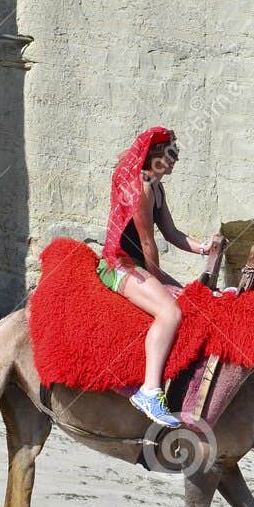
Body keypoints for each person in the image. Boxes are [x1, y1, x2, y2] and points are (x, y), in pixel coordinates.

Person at [97, 126, 215, 428]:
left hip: (137, 264)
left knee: (190, 300)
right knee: (170, 312)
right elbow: (148, 243)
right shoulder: (142, 188)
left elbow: (172, 233)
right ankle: (149, 391)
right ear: (156, 156)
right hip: (120, 266)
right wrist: (159, 281)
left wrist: (205, 248)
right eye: (172, 153)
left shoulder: (157, 188)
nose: (176, 158)